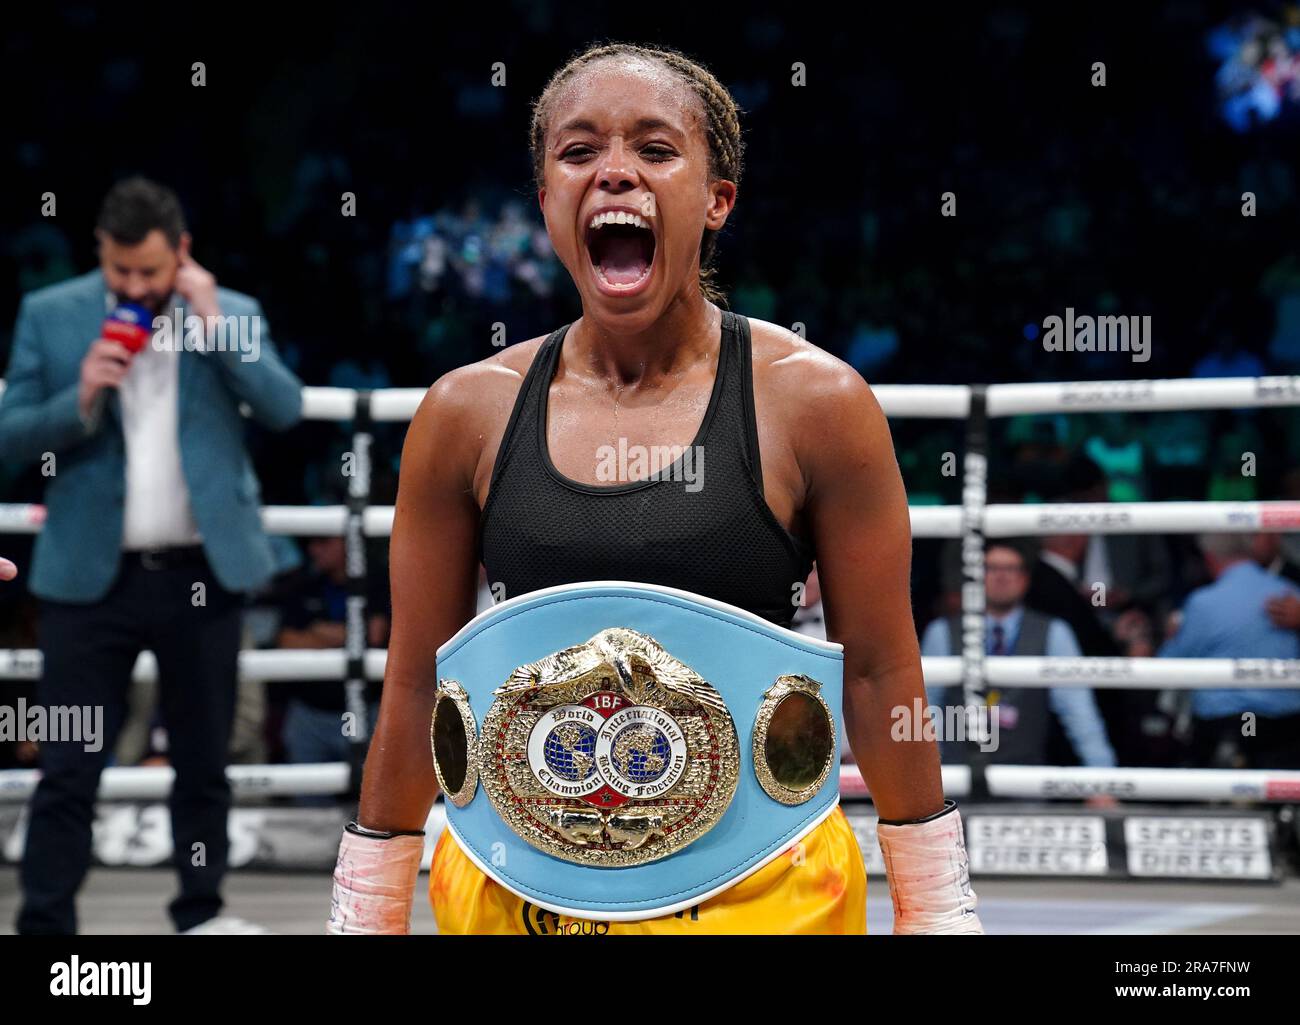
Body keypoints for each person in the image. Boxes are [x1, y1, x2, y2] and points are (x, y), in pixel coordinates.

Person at [328, 43, 981, 935]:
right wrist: (362, 912)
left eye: (656, 149)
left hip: (761, 897)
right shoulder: (465, 413)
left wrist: (937, 907)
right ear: (548, 199)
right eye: (580, 150)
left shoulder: (816, 403)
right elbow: (415, 681)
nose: (616, 175)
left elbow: (878, 670)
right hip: (513, 895)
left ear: (719, 200)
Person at [0, 176, 303, 934]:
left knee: (202, 769)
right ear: (100, 253)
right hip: (85, 583)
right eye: (120, 269)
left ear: (182, 254)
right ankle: (44, 930)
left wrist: (211, 320)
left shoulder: (227, 313)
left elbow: (285, 407)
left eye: (150, 270)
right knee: (68, 768)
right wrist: (77, 397)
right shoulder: (53, 315)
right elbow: (8, 439)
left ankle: (200, 916)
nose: (134, 285)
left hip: (202, 576)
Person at [920, 543, 1116, 769]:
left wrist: (1102, 780)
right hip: (955, 781)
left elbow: (1079, 712)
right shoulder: (941, 632)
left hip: (1027, 782)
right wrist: (928, 780)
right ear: (976, 578)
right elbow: (927, 713)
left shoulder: (1054, 632)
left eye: (1011, 569)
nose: (1001, 577)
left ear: (1025, 579)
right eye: (991, 568)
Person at [1159, 533, 1300, 769]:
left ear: (1209, 558)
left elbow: (1169, 664)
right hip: (1285, 729)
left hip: (1225, 728)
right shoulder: (1290, 593)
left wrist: (1170, 636)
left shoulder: (1203, 603)